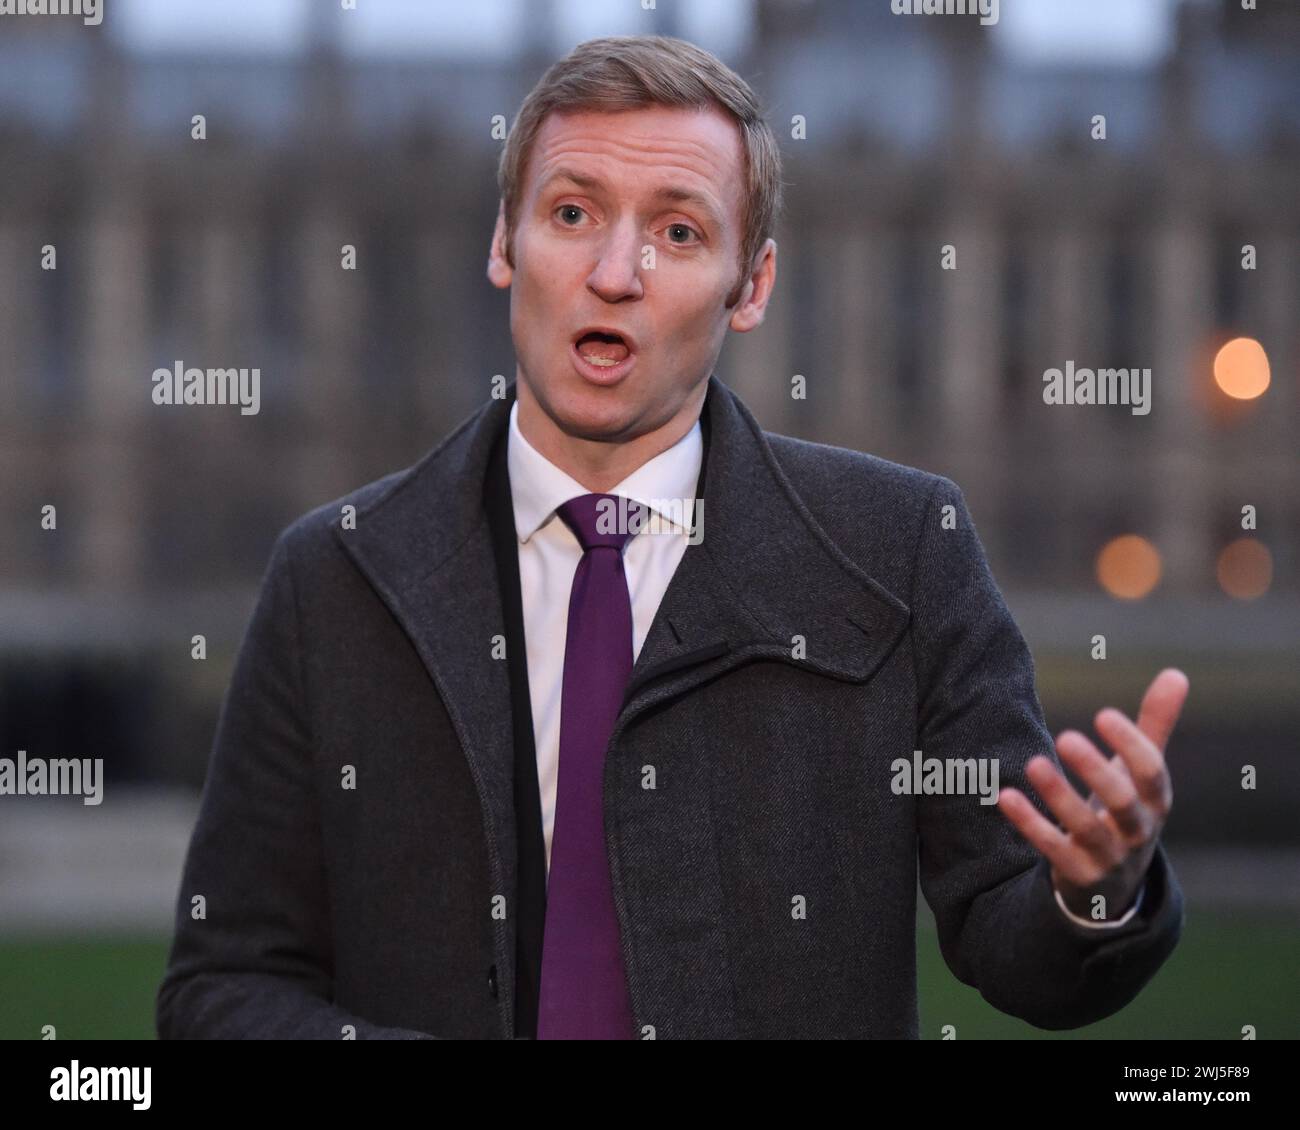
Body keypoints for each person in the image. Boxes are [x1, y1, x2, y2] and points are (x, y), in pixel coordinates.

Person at [156, 34, 1187, 1040]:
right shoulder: (335, 574)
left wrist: (1094, 890)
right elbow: (225, 986)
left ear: (752, 285)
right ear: (503, 243)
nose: (616, 271)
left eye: (680, 232)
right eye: (572, 213)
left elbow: (1016, 932)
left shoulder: (901, 549)